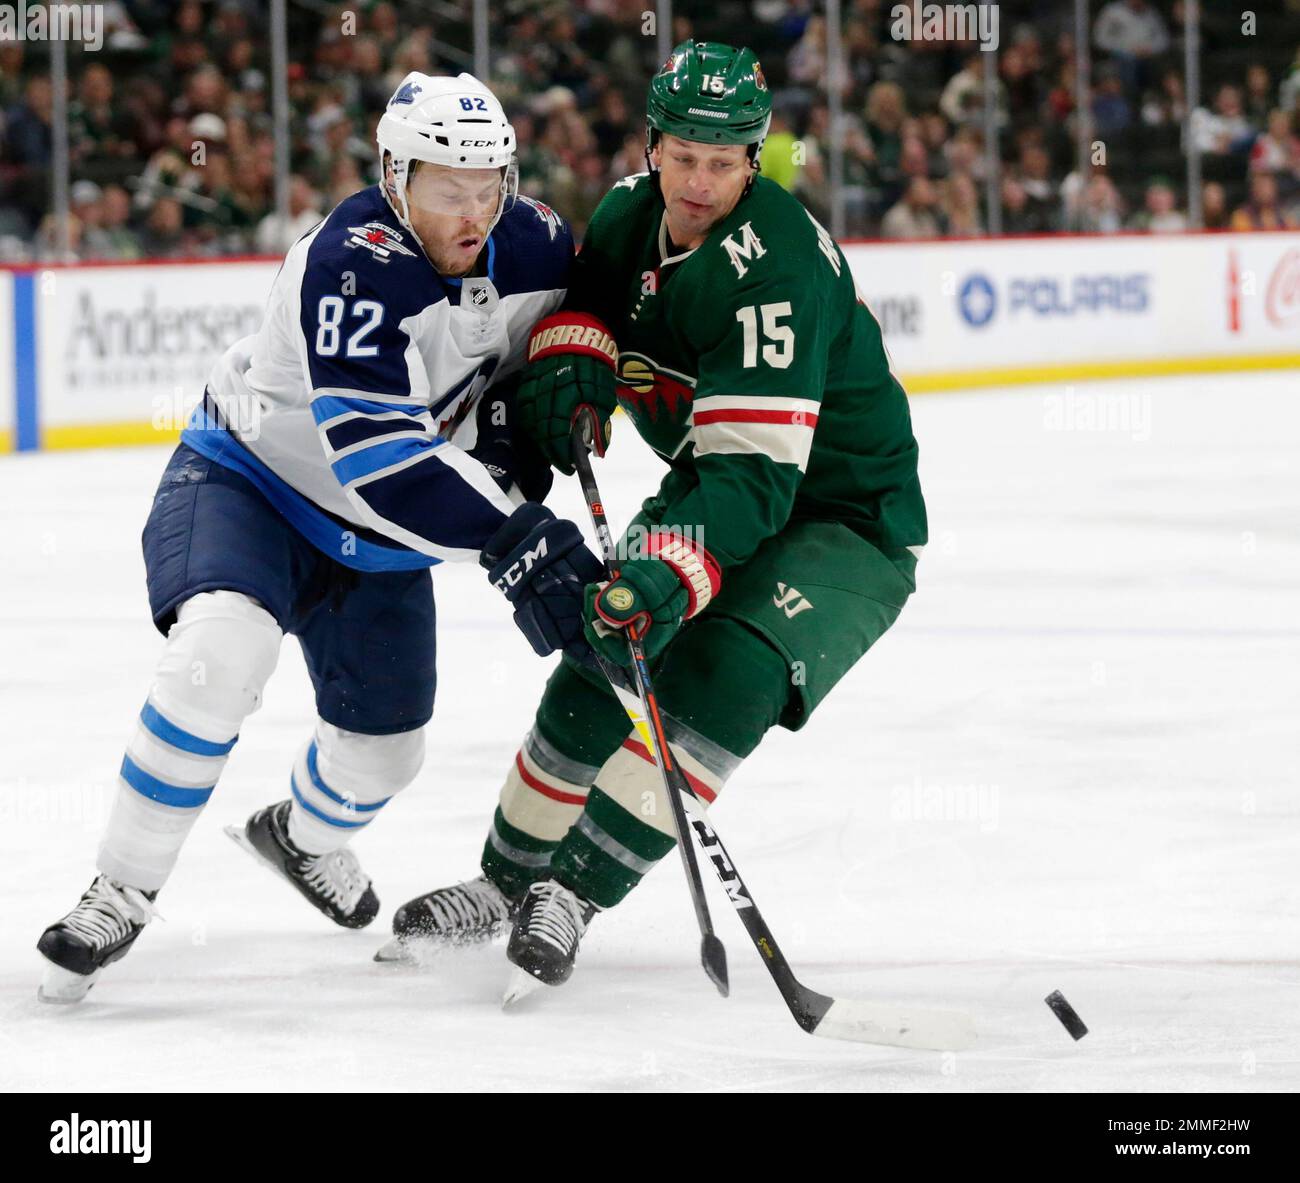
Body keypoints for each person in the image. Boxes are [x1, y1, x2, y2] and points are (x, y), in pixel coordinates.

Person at [35, 72, 596, 1003]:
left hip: (380, 541)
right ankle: (121, 888)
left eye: (487, 181)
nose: (472, 208)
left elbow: (573, 330)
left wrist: (574, 369)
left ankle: (296, 836)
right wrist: (515, 537)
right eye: (445, 186)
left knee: (386, 755)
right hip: (251, 481)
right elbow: (378, 457)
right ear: (393, 175)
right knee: (222, 649)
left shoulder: (533, 240)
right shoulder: (352, 258)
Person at [385, 42, 927, 992]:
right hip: (717, 476)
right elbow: (585, 310)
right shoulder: (632, 215)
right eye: (682, 155)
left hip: (843, 519)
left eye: (723, 162)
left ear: (754, 160)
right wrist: (573, 360)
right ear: (653, 145)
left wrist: (672, 570)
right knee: (603, 647)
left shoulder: (777, 266)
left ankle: (576, 892)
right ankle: (505, 881)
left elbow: (756, 477)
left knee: (723, 671)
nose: (700, 182)